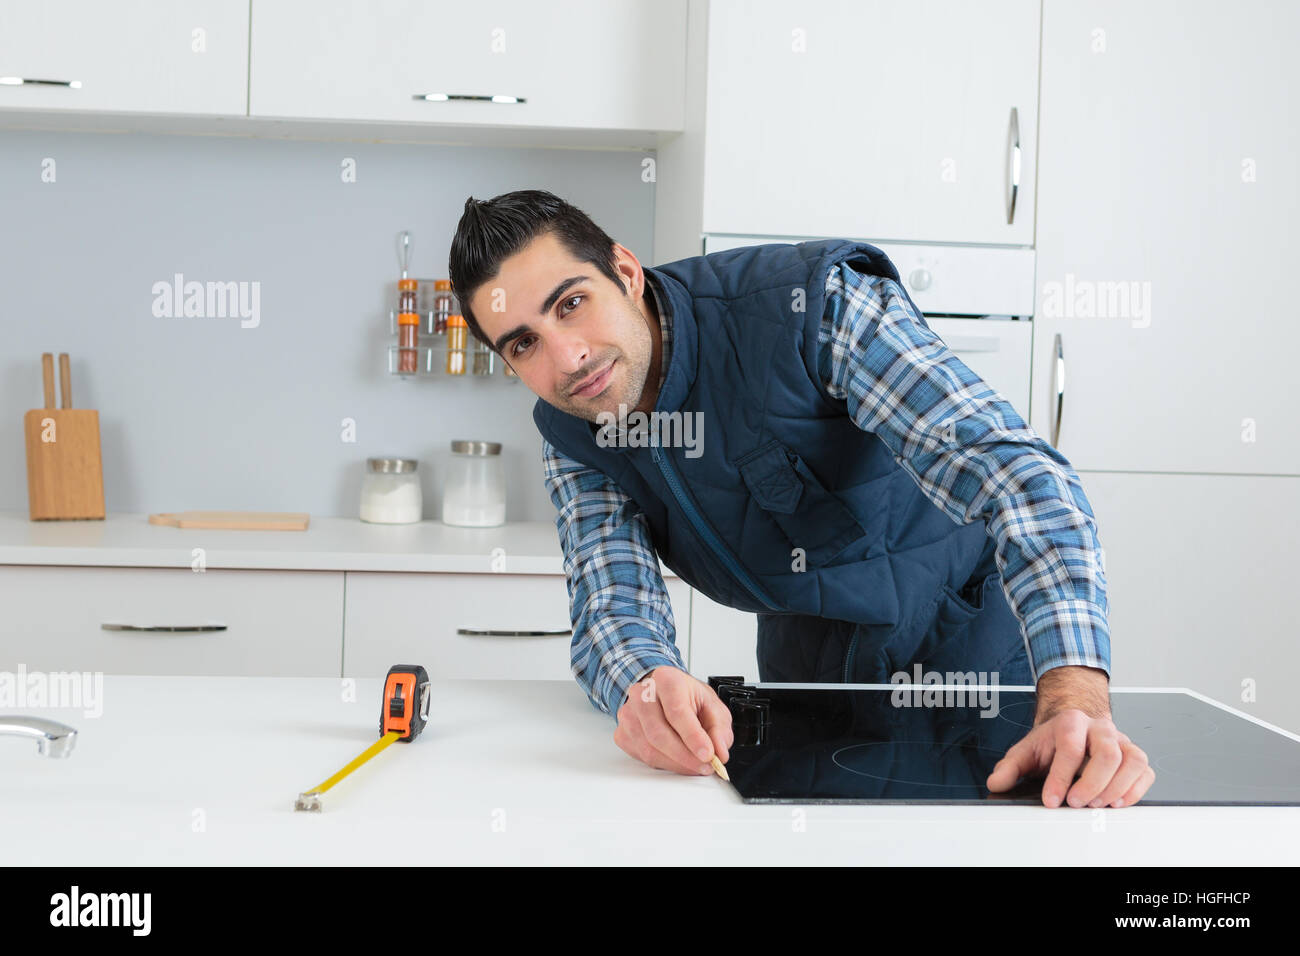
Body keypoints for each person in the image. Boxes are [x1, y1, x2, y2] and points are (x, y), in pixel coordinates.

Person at [448, 189, 1154, 810]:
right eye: (523, 344)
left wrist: (1073, 695)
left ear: (625, 273)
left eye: (572, 304)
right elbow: (613, 604)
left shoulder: (812, 307)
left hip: (976, 652)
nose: (568, 358)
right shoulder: (574, 430)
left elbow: (1020, 478)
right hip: (807, 681)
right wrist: (645, 681)